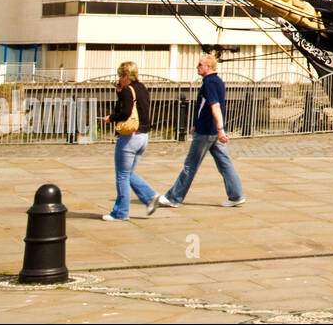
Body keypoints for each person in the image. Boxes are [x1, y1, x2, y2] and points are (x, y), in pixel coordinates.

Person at [156, 54, 246, 209]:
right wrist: (197, 125)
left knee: (191, 165)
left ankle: (174, 197)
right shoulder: (217, 81)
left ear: (208, 66)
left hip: (207, 132)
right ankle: (236, 196)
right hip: (208, 129)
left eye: (200, 64)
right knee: (224, 163)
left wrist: (220, 129)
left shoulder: (210, 83)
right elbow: (205, 108)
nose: (197, 67)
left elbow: (215, 106)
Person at [101, 61, 159, 221]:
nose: (119, 79)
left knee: (122, 175)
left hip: (129, 138)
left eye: (120, 76)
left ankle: (120, 213)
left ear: (126, 76)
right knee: (128, 174)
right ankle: (150, 197)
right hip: (143, 137)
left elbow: (126, 112)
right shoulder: (142, 88)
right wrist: (120, 93)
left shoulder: (128, 90)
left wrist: (111, 118)